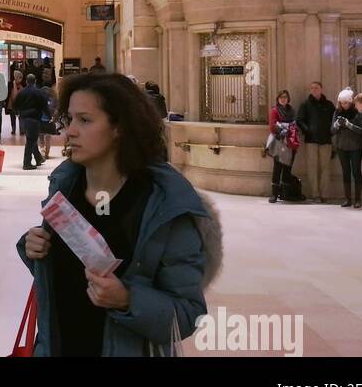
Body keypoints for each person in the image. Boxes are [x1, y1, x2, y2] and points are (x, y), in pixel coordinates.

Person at [17, 74, 222, 357]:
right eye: (70, 119)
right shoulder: (65, 189)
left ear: (119, 128)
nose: (70, 131)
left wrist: (127, 300)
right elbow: (62, 280)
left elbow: (188, 314)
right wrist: (34, 248)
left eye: (85, 120)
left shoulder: (164, 208)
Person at [296, 81, 336, 203]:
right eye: (312, 88)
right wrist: (308, 131)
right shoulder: (305, 104)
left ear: (321, 89)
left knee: (325, 168)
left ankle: (324, 194)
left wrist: (331, 131)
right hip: (311, 141)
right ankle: (315, 194)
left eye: (316, 88)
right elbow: (299, 120)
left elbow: (334, 119)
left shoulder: (329, 105)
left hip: (326, 140)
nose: (314, 90)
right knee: (312, 167)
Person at [331, 88, 362, 208]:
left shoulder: (357, 112)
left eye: (346, 102)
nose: (343, 105)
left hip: (355, 147)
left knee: (356, 171)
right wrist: (337, 124)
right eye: (341, 102)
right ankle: (347, 198)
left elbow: (360, 130)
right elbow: (332, 130)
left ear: (350, 102)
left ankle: (358, 199)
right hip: (341, 146)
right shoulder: (337, 112)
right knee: (346, 172)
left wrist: (348, 124)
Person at [14, 74, 50, 170]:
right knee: (31, 140)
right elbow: (44, 106)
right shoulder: (39, 93)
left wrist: (19, 112)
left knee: (31, 138)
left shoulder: (22, 92)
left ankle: (38, 158)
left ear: (26, 81)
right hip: (34, 119)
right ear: (35, 81)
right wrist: (49, 116)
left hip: (23, 119)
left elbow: (15, 104)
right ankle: (27, 163)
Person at [267, 90, 297, 203]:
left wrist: (286, 127)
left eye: (285, 97)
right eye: (281, 97)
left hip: (290, 142)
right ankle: (274, 194)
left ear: (288, 98)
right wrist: (285, 129)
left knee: (287, 168)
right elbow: (273, 126)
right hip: (279, 143)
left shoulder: (291, 110)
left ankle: (285, 193)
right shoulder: (275, 110)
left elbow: (295, 124)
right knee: (277, 168)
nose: (283, 99)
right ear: (278, 99)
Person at [39, 69, 59, 161]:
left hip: (40, 118)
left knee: (41, 136)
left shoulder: (40, 92)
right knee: (48, 137)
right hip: (49, 118)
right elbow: (56, 106)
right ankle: (47, 152)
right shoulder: (53, 94)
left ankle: (42, 150)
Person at [6, 70, 25, 136]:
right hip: (12, 104)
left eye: (20, 78)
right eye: (18, 78)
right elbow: (8, 94)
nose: (20, 80)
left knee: (21, 117)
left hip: (20, 104)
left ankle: (22, 130)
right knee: (13, 118)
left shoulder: (22, 85)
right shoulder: (10, 84)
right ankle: (13, 130)